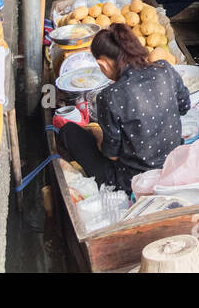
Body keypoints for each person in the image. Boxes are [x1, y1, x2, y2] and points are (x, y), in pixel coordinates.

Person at [54, 24, 191, 190]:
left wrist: (98, 136)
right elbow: (184, 107)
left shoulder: (110, 96)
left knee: (69, 131)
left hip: (132, 181)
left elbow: (111, 155)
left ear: (102, 63)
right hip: (174, 166)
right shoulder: (165, 69)